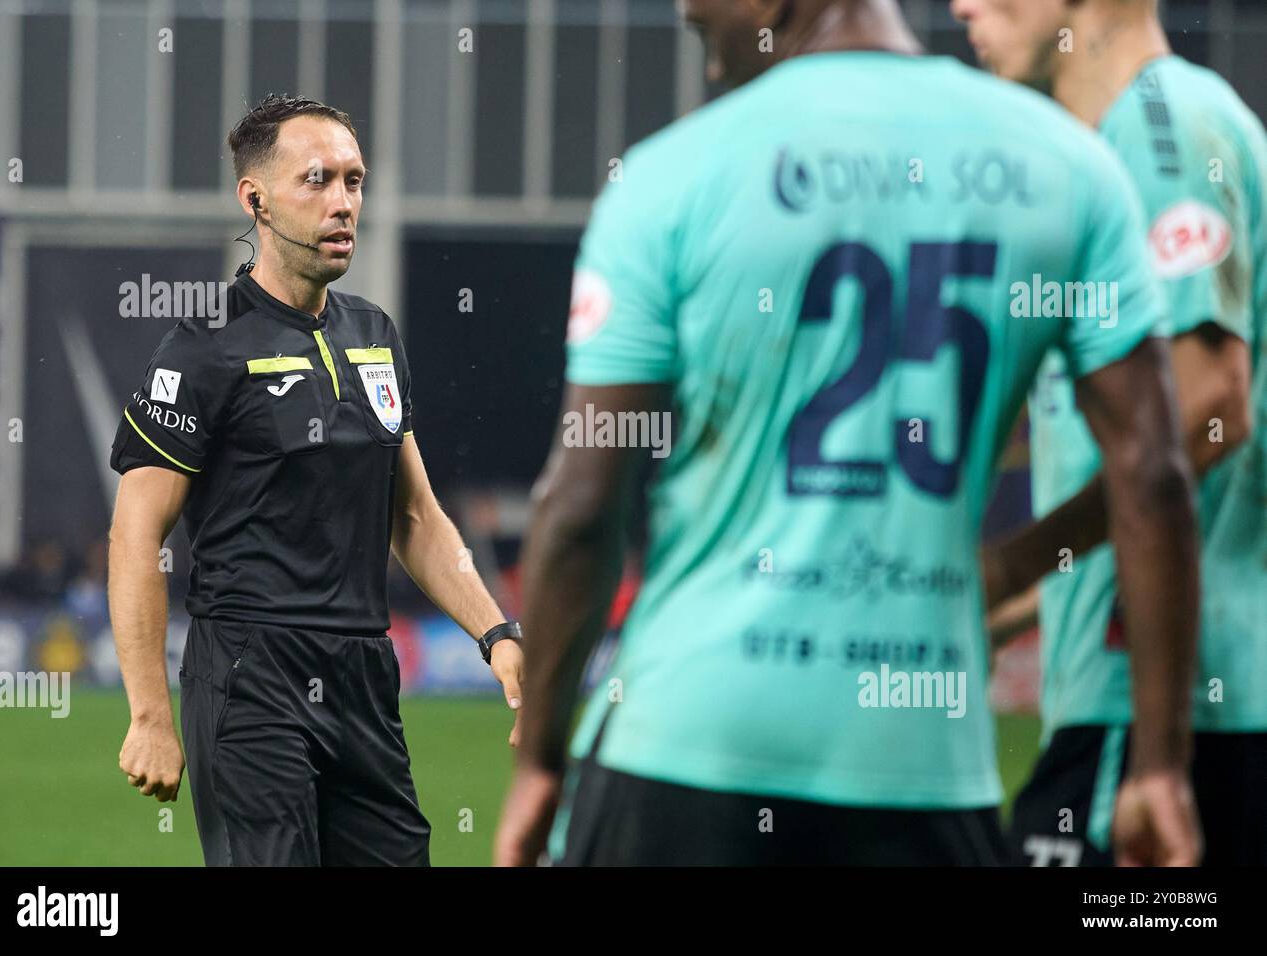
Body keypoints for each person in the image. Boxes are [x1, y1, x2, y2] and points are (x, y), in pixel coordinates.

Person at [493, 0, 1203, 867]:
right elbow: (1155, 475)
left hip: (684, 751)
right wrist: (1162, 766)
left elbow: (579, 505)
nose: (692, 20)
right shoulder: (1068, 169)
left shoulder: (671, 175)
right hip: (922, 766)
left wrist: (539, 762)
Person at [107, 93, 525, 866]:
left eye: (355, 181)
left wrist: (496, 634)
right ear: (256, 200)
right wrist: (148, 715)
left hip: (365, 674)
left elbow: (416, 518)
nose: (343, 203)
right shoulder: (201, 346)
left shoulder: (374, 335)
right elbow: (136, 534)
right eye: (318, 180)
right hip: (248, 673)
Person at [954, 0, 1266, 866]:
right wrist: (990, 605)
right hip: (1168, 711)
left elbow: (1207, 410)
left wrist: (1010, 564)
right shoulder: (1121, 146)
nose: (961, 5)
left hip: (1160, 717)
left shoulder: (1164, 130)